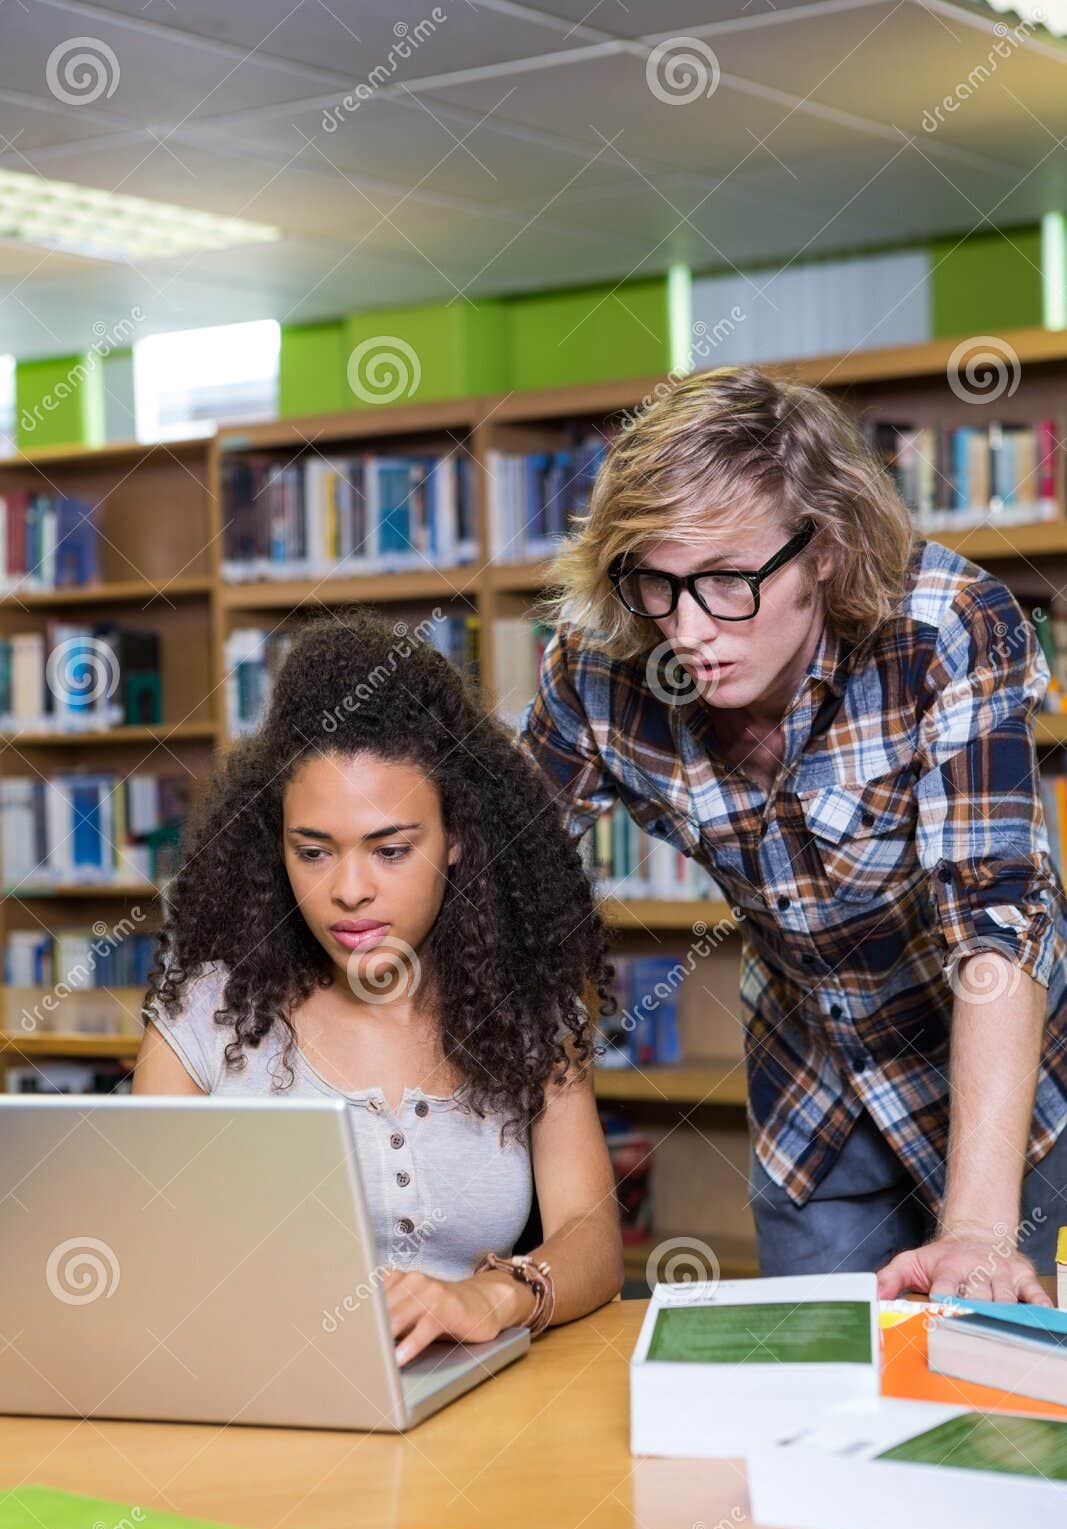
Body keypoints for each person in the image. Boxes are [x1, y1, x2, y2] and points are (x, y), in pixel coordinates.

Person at [520, 363, 1067, 1305]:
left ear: (823, 548)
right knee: (817, 1385)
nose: (687, 630)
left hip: (1020, 1099)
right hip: (815, 1101)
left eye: (727, 581)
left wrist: (977, 1229)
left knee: (1009, 1376)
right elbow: (500, 874)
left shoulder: (943, 624)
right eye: (657, 582)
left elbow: (998, 918)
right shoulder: (599, 665)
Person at [134, 611, 623, 1363]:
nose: (349, 890)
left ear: (457, 838)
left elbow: (590, 1237)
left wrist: (492, 1298)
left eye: (390, 850)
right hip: (256, 1383)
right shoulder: (205, 1015)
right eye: (313, 852)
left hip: (474, 1393)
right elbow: (146, 1253)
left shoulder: (527, 1008)